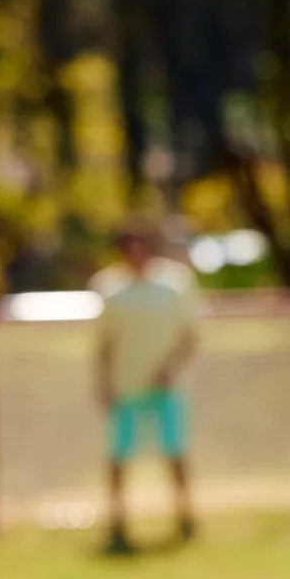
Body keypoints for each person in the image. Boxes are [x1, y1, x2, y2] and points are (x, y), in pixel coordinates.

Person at [90, 222, 200, 554]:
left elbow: (190, 337)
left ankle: (185, 518)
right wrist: (103, 384)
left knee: (175, 453)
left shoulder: (175, 284)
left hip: (167, 390)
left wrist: (170, 369)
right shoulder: (109, 288)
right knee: (119, 458)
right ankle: (117, 522)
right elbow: (103, 344)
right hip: (127, 388)